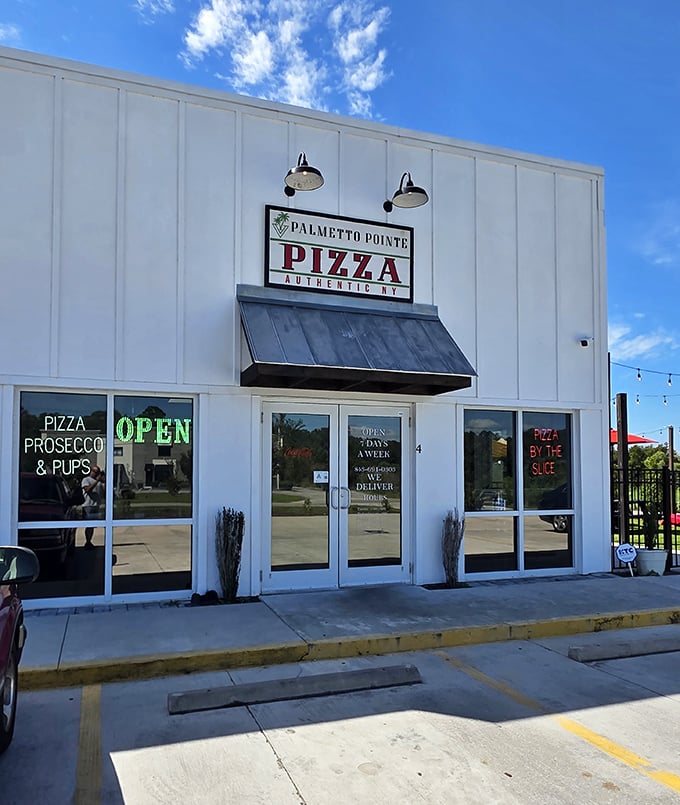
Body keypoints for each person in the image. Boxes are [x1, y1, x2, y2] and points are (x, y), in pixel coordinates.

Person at [81, 465, 105, 549]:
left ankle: (89, 541)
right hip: (88, 505)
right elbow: (87, 489)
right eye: (93, 471)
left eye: (96, 472)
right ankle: (87, 541)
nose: (94, 473)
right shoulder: (86, 479)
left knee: (92, 526)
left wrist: (102, 481)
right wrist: (97, 481)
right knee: (88, 525)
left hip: (95, 505)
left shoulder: (98, 482)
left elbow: (104, 492)